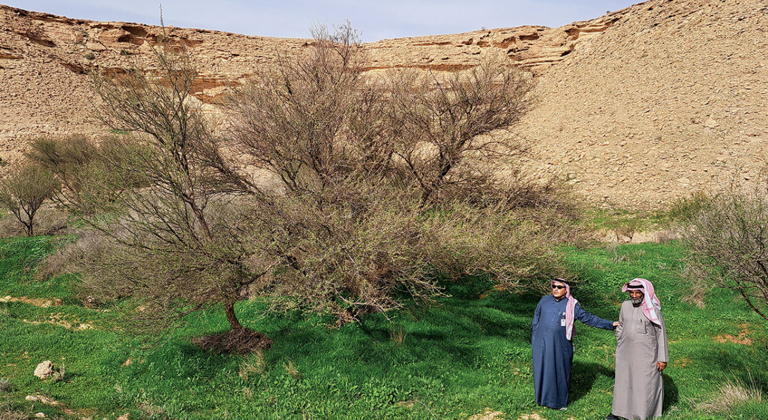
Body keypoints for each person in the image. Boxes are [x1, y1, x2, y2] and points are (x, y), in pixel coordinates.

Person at [531, 278, 618, 411]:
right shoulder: (544, 300)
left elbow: (589, 318)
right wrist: (535, 334)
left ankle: (558, 403)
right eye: (554, 286)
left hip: (561, 344)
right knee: (542, 369)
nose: (555, 289)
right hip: (540, 343)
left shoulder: (572, 305)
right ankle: (542, 399)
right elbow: (536, 317)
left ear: (566, 289)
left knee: (560, 371)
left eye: (559, 287)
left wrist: (610, 324)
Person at [607, 278, 668, 420]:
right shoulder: (625, 305)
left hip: (646, 355)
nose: (634, 296)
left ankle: (642, 415)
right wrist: (620, 338)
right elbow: (621, 324)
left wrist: (662, 358)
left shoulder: (653, 310)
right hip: (625, 352)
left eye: (637, 293)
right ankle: (618, 412)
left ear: (644, 293)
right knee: (624, 382)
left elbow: (661, 334)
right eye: (631, 293)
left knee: (643, 385)